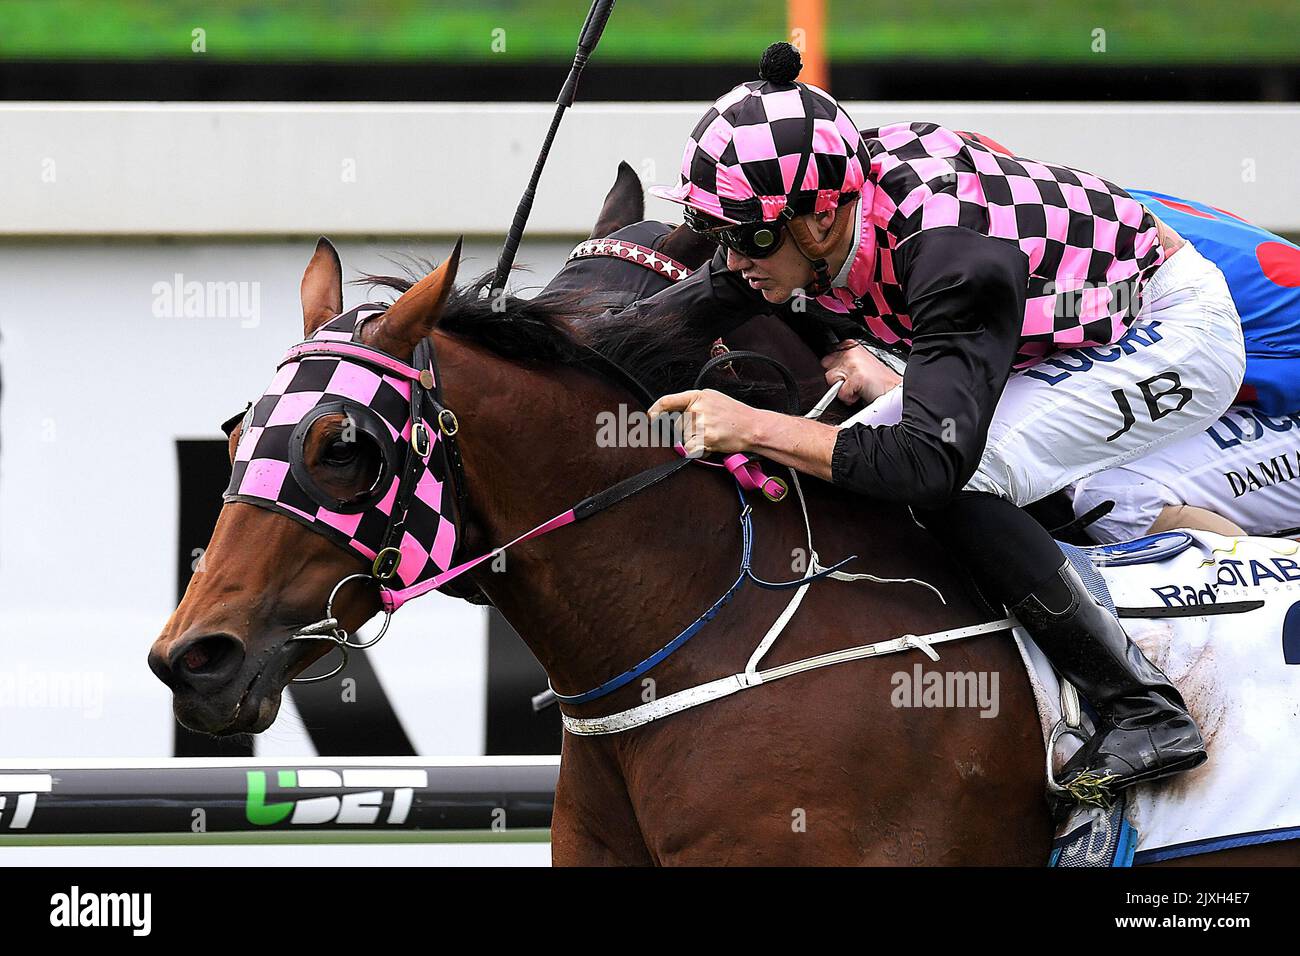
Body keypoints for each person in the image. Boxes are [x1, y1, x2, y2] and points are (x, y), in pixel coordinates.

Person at [615, 42, 1246, 796]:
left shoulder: (949, 253)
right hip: (1043, 332)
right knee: (844, 458)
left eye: (747, 237)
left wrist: (748, 424)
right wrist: (545, 339)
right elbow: (687, 305)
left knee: (955, 473)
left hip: (1164, 326)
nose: (732, 257)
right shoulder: (810, 213)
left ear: (822, 219)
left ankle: (1141, 709)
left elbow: (930, 463)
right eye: (717, 231)